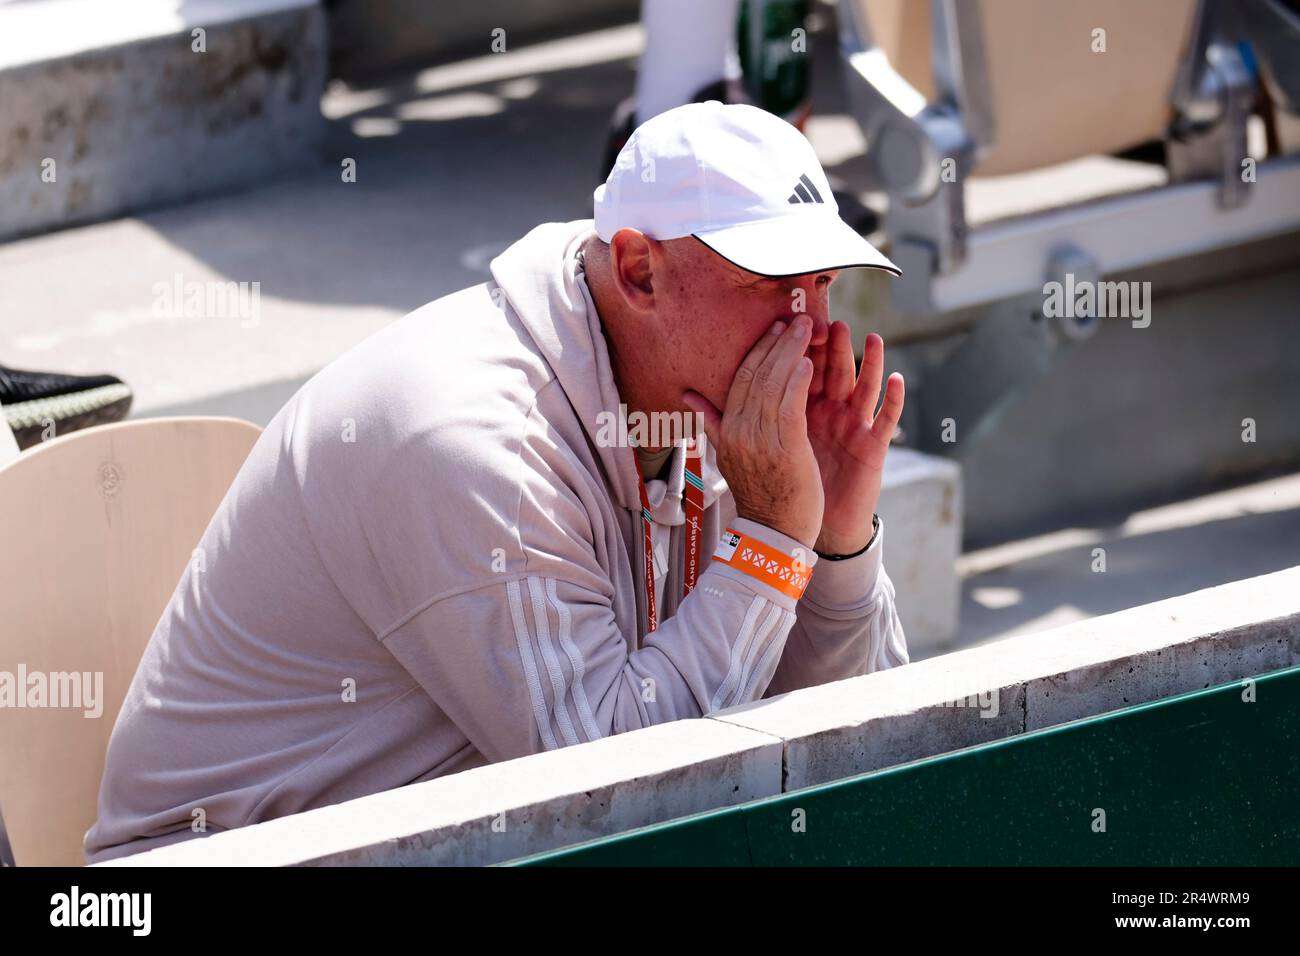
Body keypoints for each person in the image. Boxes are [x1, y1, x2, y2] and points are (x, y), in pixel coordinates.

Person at [84, 102, 909, 863]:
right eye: (769, 283)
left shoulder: (706, 396)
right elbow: (623, 803)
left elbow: (858, 757)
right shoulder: (476, 442)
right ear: (638, 272)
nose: (808, 327)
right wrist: (769, 544)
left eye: (823, 282)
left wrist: (832, 543)